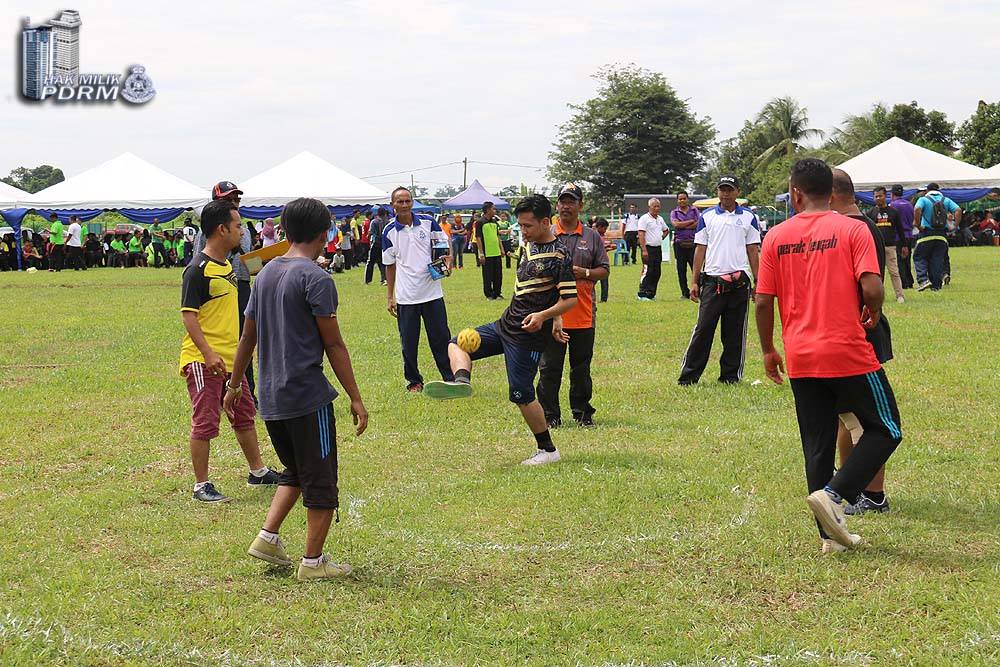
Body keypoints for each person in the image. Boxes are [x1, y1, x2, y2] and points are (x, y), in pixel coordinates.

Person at [755, 158, 902, 553]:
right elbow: (871, 287)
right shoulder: (852, 229)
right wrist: (875, 308)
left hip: (801, 355)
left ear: (795, 194)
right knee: (887, 428)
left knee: (817, 444)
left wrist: (769, 349)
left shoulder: (775, 236)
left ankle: (829, 540)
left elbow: (764, 301)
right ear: (832, 192)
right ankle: (837, 495)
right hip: (848, 351)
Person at [223, 197, 368, 580]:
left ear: (284, 230)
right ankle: (313, 562)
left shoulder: (265, 273)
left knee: (297, 469)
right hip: (307, 397)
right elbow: (333, 344)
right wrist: (355, 396)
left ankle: (267, 538)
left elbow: (246, 337)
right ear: (325, 234)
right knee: (320, 477)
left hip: (271, 398)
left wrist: (236, 385)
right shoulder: (316, 278)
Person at [423, 194, 577, 465]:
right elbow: (541, 291)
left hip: (527, 337)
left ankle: (548, 451)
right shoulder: (527, 246)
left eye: (528, 226)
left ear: (545, 222)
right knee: (456, 342)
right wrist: (556, 319)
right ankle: (461, 381)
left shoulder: (560, 255)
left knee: (521, 394)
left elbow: (569, 298)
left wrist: (546, 317)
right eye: (521, 226)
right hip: (505, 325)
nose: (524, 232)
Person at [179, 199, 279, 504]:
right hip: (204, 361)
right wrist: (208, 353)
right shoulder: (197, 270)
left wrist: (293, 253)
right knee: (206, 421)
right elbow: (188, 315)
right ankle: (201, 485)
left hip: (232, 360)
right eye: (237, 227)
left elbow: (265, 264)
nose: (242, 232)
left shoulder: (229, 267)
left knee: (244, 414)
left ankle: (257, 472)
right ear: (222, 229)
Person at [832, 170, 895, 515]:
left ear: (831, 195)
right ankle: (856, 488)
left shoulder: (857, 228)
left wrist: (868, 312)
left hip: (860, 330)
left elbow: (871, 287)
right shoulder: (862, 225)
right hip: (857, 328)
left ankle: (871, 493)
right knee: (848, 416)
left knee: (864, 419)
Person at [536, 183, 610, 428]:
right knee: (549, 368)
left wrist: (584, 272)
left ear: (581, 205)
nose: (566, 206)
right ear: (556, 205)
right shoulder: (546, 234)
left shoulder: (591, 237)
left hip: (583, 314)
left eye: (571, 201)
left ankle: (582, 412)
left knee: (581, 367)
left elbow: (604, 271)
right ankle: (549, 415)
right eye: (562, 201)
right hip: (551, 313)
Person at [678, 176, 760, 385]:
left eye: (730, 190)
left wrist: (758, 281)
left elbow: (752, 250)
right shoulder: (707, 216)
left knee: (735, 332)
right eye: (722, 190)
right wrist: (694, 281)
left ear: (737, 192)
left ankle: (730, 376)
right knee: (703, 329)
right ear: (717, 192)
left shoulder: (749, 217)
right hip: (713, 281)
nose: (726, 194)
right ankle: (689, 376)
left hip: (740, 282)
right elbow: (700, 249)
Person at [382, 186, 454, 392]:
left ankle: (449, 377)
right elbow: (390, 265)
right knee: (409, 343)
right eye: (399, 202)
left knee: (441, 338)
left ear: (412, 202)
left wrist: (447, 262)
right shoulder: (389, 232)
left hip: (432, 293)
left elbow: (442, 246)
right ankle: (414, 380)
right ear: (392, 205)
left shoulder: (427, 222)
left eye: (407, 201)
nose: (404, 205)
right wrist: (390, 296)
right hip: (407, 296)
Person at [913, 183, 960, 291]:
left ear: (927, 190)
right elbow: (958, 210)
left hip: (926, 234)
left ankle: (923, 280)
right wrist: (954, 226)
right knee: (937, 260)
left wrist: (918, 225)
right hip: (941, 236)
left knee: (919, 257)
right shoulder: (946, 200)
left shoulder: (923, 200)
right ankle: (936, 286)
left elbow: (917, 209)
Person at [868, 187, 907, 303]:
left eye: (880, 196)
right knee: (878, 273)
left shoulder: (893, 212)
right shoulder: (871, 213)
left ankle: (900, 295)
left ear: (886, 196)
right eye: (876, 196)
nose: (878, 198)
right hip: (876, 248)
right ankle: (879, 296)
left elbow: (900, 230)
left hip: (890, 246)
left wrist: (904, 245)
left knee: (894, 271)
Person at [636, 198, 669, 301]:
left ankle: (651, 293)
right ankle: (642, 293)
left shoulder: (660, 219)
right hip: (648, 248)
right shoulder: (644, 219)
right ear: (649, 207)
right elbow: (641, 234)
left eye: (658, 206)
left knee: (656, 272)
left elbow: (666, 230)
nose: (656, 208)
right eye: (654, 206)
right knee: (648, 271)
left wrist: (661, 237)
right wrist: (644, 249)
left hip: (657, 248)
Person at [670, 192, 699, 299]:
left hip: (693, 244)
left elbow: (698, 223)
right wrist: (690, 222)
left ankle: (697, 291)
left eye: (684, 198)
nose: (682, 200)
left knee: (695, 269)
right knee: (681, 270)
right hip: (679, 245)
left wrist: (683, 225)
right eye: (680, 199)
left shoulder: (695, 210)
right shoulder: (674, 212)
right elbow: (676, 225)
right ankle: (684, 293)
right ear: (677, 200)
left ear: (687, 199)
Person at [888, 185, 916, 289]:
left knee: (898, 260)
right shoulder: (909, 204)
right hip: (909, 235)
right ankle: (909, 281)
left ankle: (903, 283)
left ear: (892, 194)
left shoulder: (892, 205)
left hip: (897, 236)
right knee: (907, 259)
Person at [476, 202, 505, 299]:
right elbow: (478, 238)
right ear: (488, 210)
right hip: (487, 253)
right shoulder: (480, 222)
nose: (495, 211)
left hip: (496, 252)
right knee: (488, 275)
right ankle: (489, 294)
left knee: (498, 274)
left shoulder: (494, 222)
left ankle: (497, 293)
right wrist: (481, 253)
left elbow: (497, 236)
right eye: (493, 209)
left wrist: (501, 249)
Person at [593, 218, 615, 302]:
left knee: (604, 281)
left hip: (603, 261)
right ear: (599, 227)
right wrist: (606, 247)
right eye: (604, 228)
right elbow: (596, 248)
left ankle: (604, 298)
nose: (605, 230)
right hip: (595, 262)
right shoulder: (594, 236)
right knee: (592, 281)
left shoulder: (602, 236)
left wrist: (609, 248)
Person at [365, 207, 389, 285]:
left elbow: (370, 232)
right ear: (385, 214)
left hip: (375, 243)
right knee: (383, 262)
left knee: (371, 262)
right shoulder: (387, 222)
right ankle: (384, 279)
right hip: (384, 243)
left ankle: (368, 280)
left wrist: (368, 238)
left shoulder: (374, 221)